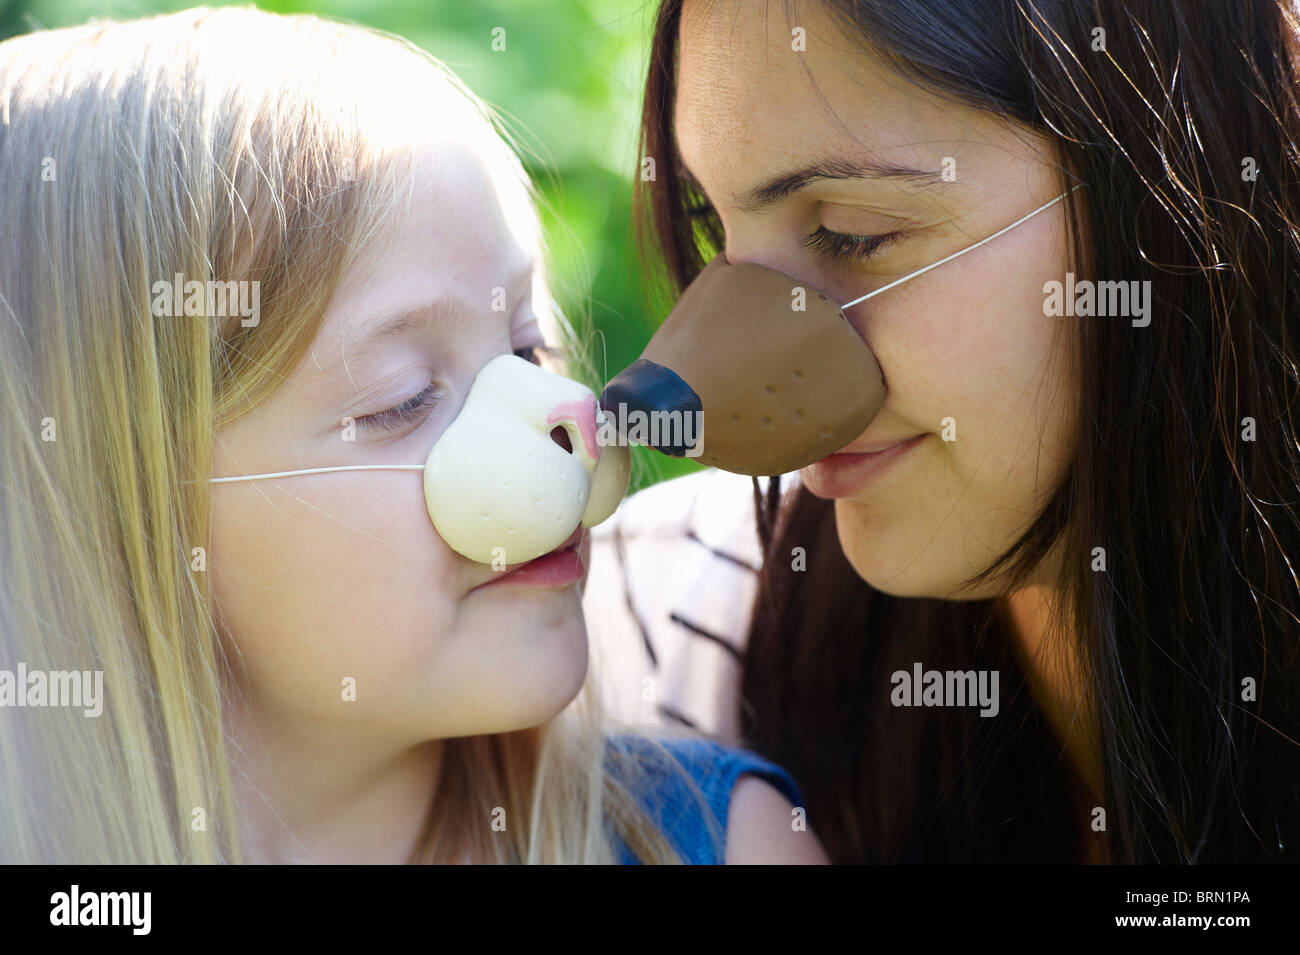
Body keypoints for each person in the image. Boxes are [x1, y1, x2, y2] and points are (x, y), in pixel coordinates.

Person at [0, 7, 828, 865]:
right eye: (401, 400)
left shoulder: (724, 844)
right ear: (122, 513)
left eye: (526, 343)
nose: (573, 413)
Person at [586, 0, 1300, 863]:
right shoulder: (654, 640)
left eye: (855, 235)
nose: (717, 370)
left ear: (1173, 183)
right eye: (714, 230)